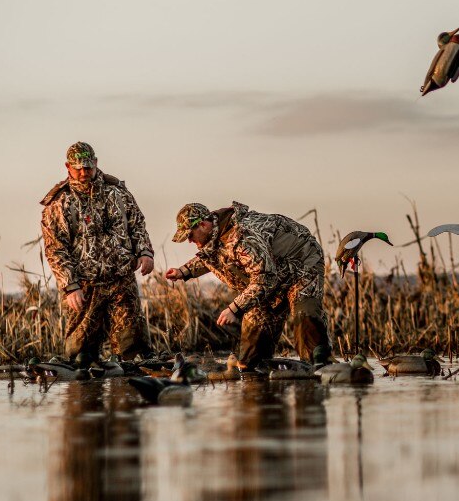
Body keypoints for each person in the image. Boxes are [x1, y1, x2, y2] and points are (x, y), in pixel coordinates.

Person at [165, 201, 331, 371]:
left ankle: (319, 370)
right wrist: (183, 271)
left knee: (306, 321)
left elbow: (264, 278)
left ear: (203, 225)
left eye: (190, 235)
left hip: (301, 267)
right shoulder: (215, 235)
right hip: (268, 278)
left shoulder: (243, 236)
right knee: (249, 362)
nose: (189, 240)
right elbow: (214, 256)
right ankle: (261, 384)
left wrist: (234, 309)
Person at [40, 142, 154, 364]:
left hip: (121, 280)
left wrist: (145, 252)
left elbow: (137, 224)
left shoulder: (117, 192)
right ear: (68, 167)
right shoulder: (59, 202)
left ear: (96, 163)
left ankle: (128, 390)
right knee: (82, 354)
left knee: (130, 348)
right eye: (79, 168)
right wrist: (70, 286)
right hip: (84, 286)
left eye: (88, 167)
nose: (84, 172)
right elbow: (56, 249)